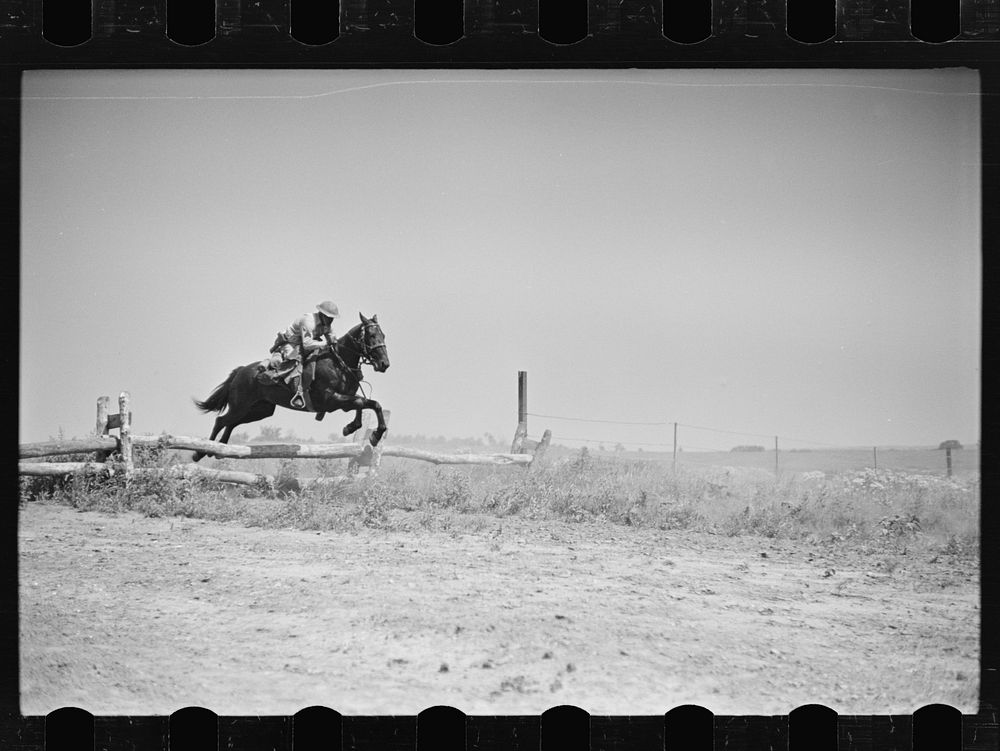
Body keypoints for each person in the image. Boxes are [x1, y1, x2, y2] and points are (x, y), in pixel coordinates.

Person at [268, 300, 343, 409]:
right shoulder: (309, 321)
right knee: (295, 362)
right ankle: (298, 393)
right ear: (322, 315)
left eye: (332, 318)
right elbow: (307, 344)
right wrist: (326, 343)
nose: (331, 320)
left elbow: (332, 337)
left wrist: (334, 342)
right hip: (291, 343)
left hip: (307, 343)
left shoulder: (327, 324)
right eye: (328, 317)